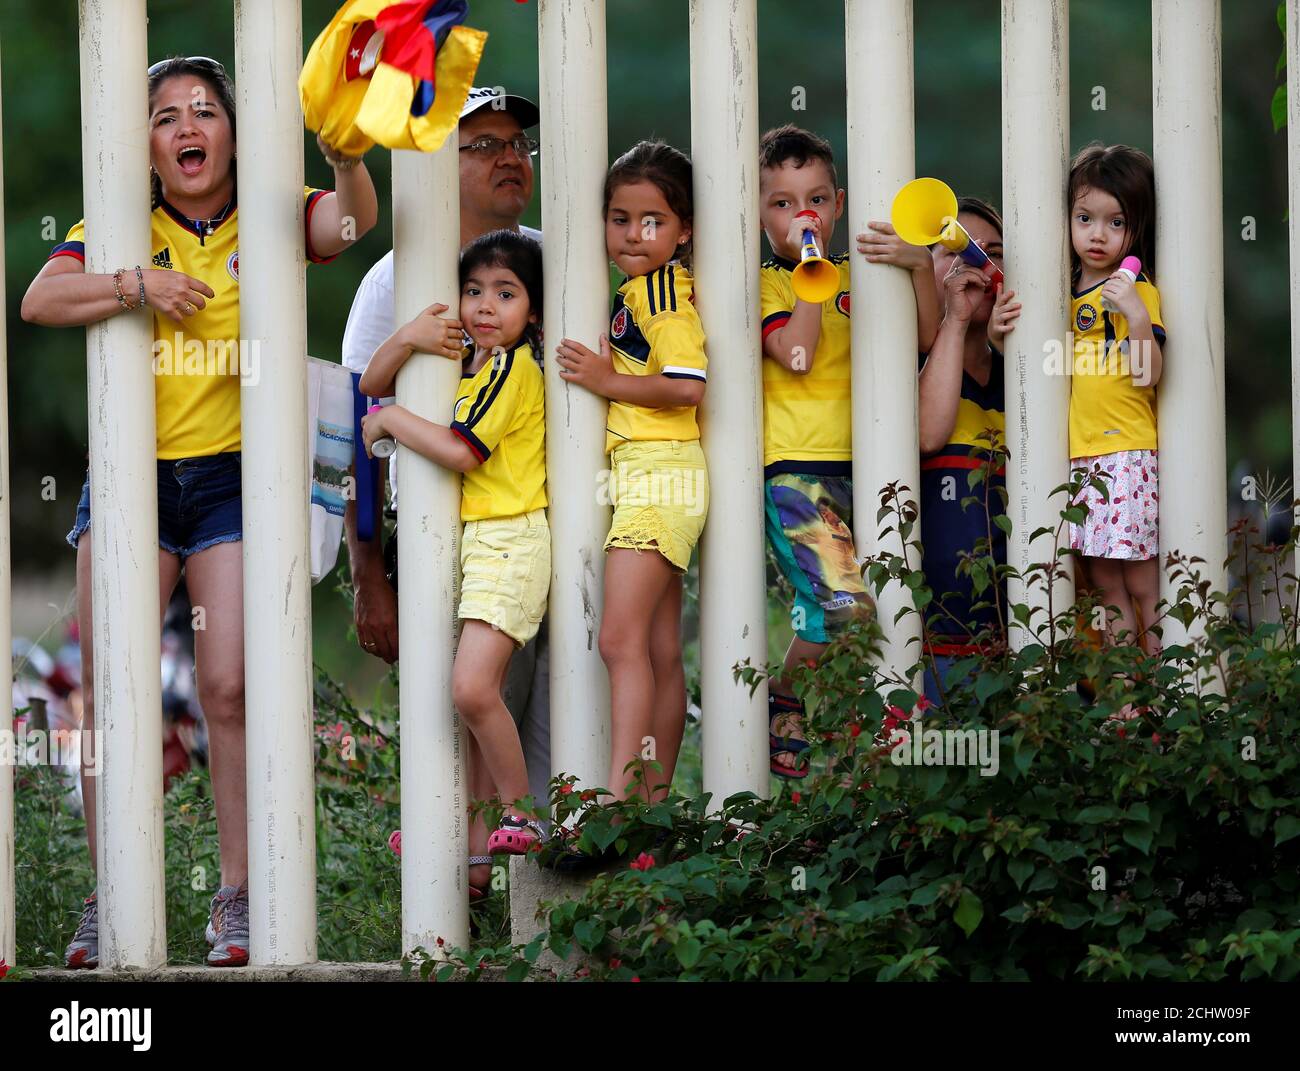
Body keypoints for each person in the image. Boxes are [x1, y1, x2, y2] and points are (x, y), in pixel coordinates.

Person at [21, 56, 377, 968]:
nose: (187, 127)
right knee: (108, 690)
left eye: (205, 111)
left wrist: (344, 157)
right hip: (132, 481)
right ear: (142, 142)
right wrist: (140, 285)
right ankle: (111, 897)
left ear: (230, 130)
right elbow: (40, 299)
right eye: (166, 115)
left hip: (230, 480)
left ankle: (240, 898)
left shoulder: (268, 212)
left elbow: (349, 222)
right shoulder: (119, 223)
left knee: (229, 685)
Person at [341, 87, 551, 815]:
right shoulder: (392, 280)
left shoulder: (557, 265)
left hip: (545, 526)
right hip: (435, 537)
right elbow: (356, 427)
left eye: (518, 144)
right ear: (437, 163)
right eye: (485, 145)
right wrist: (367, 574)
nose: (510, 158)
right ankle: (457, 899)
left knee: (553, 731)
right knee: (455, 727)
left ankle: (544, 891)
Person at [361, 232, 549, 894]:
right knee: (466, 710)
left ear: (535, 312)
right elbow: (373, 381)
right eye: (474, 292)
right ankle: (461, 838)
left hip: (511, 538)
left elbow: (463, 450)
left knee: (472, 688)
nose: (484, 307)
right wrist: (411, 336)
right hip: (476, 543)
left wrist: (389, 423)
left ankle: (524, 814)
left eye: (505, 293)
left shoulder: (512, 367)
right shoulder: (471, 360)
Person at [758, 125, 938, 777]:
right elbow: (797, 356)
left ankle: (823, 719)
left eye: (815, 201)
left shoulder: (856, 280)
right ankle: (785, 695)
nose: (802, 214)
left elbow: (921, 335)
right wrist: (809, 271)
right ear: (757, 213)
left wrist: (918, 266)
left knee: (869, 612)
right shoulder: (770, 287)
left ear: (837, 203)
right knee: (845, 607)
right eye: (782, 203)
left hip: (862, 468)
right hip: (797, 473)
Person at [554, 141, 708, 802]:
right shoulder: (638, 288)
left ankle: (619, 798)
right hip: (652, 475)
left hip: (659, 476)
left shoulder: (664, 295)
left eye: (653, 221)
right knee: (657, 647)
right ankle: (652, 800)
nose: (634, 234)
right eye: (620, 218)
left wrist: (604, 379)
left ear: (684, 230)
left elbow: (687, 384)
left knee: (618, 640)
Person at [886, 198, 1017, 708]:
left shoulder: (1020, 370)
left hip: (1019, 636)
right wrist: (957, 323)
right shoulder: (912, 361)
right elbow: (927, 435)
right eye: (955, 250)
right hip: (930, 643)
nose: (974, 261)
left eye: (990, 251)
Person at [1066, 143, 1164, 710]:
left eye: (1116, 222)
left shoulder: (1140, 293)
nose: (1097, 234)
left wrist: (1133, 314)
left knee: (1144, 584)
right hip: (1079, 458)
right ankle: (1128, 698)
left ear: (1136, 228)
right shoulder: (1067, 294)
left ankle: (1165, 693)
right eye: (1085, 219)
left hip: (1127, 453)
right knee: (1104, 586)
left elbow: (1149, 373)